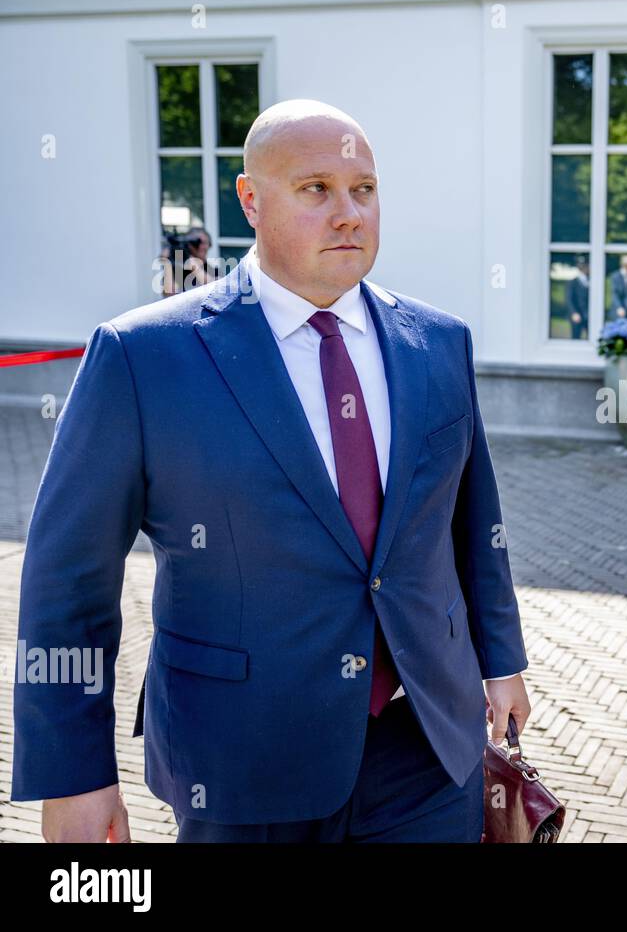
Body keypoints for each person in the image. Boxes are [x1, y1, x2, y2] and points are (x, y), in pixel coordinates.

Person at [12, 99, 531, 842]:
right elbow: (67, 580)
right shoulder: (144, 358)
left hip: (427, 750)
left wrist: (501, 659)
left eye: (365, 189)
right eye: (316, 189)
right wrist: (73, 775)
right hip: (243, 765)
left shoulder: (438, 343)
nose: (349, 213)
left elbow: (472, 522)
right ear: (250, 200)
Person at [160, 228, 218, 296]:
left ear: (210, 245)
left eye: (204, 243)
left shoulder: (214, 271)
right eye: (196, 243)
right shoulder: (177, 271)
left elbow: (215, 291)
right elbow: (169, 295)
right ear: (189, 245)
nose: (200, 246)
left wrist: (195, 267)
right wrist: (167, 263)